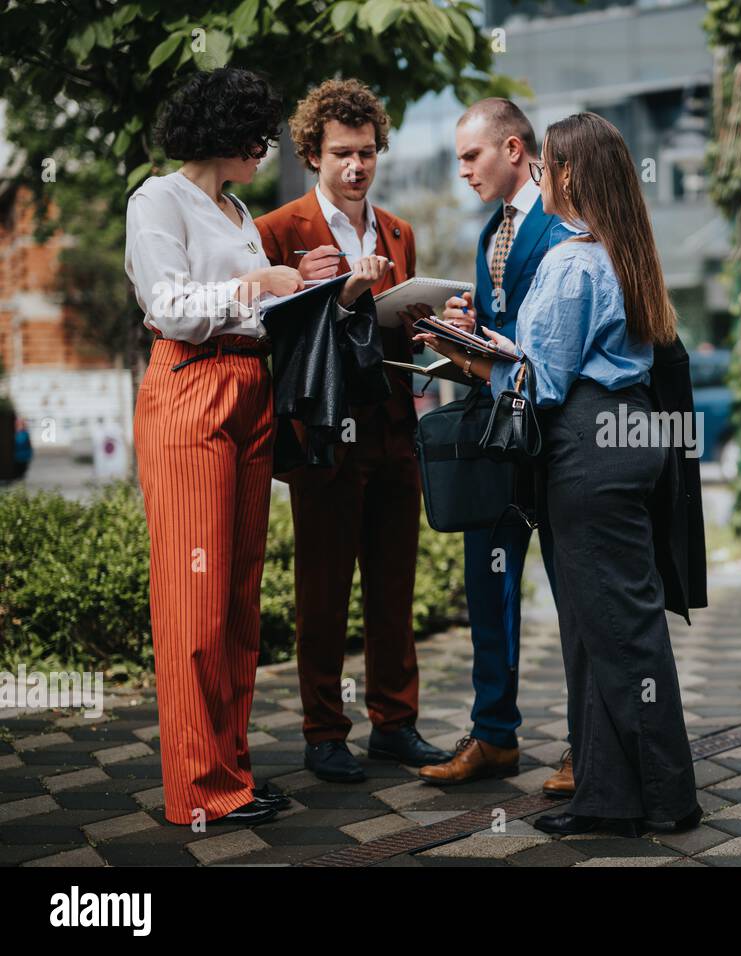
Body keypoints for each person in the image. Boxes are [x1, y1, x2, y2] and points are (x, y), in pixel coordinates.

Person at [417, 112, 702, 834]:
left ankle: (665, 799)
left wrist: (462, 354)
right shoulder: (619, 252)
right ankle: (608, 796)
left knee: (614, 632)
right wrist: (487, 343)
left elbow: (538, 381)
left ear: (567, 175)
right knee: (600, 630)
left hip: (586, 454)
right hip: (627, 439)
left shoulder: (572, 262)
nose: (539, 178)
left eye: (544, 165)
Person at [126, 68, 389, 826]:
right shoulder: (157, 199)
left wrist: (297, 289)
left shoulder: (238, 210)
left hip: (250, 388)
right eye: (257, 135)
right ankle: (198, 790)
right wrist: (257, 285)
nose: (265, 147)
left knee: (240, 596)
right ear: (227, 135)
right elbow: (171, 307)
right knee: (193, 600)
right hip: (189, 390)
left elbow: (258, 306)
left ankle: (231, 772)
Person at [255, 79, 451, 782]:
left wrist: (433, 322)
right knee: (323, 590)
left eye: (366, 152)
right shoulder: (278, 231)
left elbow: (403, 331)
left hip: (395, 429)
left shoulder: (398, 230)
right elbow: (269, 333)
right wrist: (334, 296)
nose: (356, 167)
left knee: (394, 587)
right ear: (313, 152)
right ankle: (323, 732)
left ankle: (395, 725)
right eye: (341, 153)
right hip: (324, 435)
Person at [416, 99, 573, 792]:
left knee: (577, 591)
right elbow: (504, 322)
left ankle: (586, 742)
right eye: (457, 160)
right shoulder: (490, 235)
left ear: (514, 149)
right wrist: (467, 325)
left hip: (557, 433)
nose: (463, 172)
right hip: (494, 433)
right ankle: (493, 736)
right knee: (488, 585)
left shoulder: (570, 222)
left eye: (471, 157)